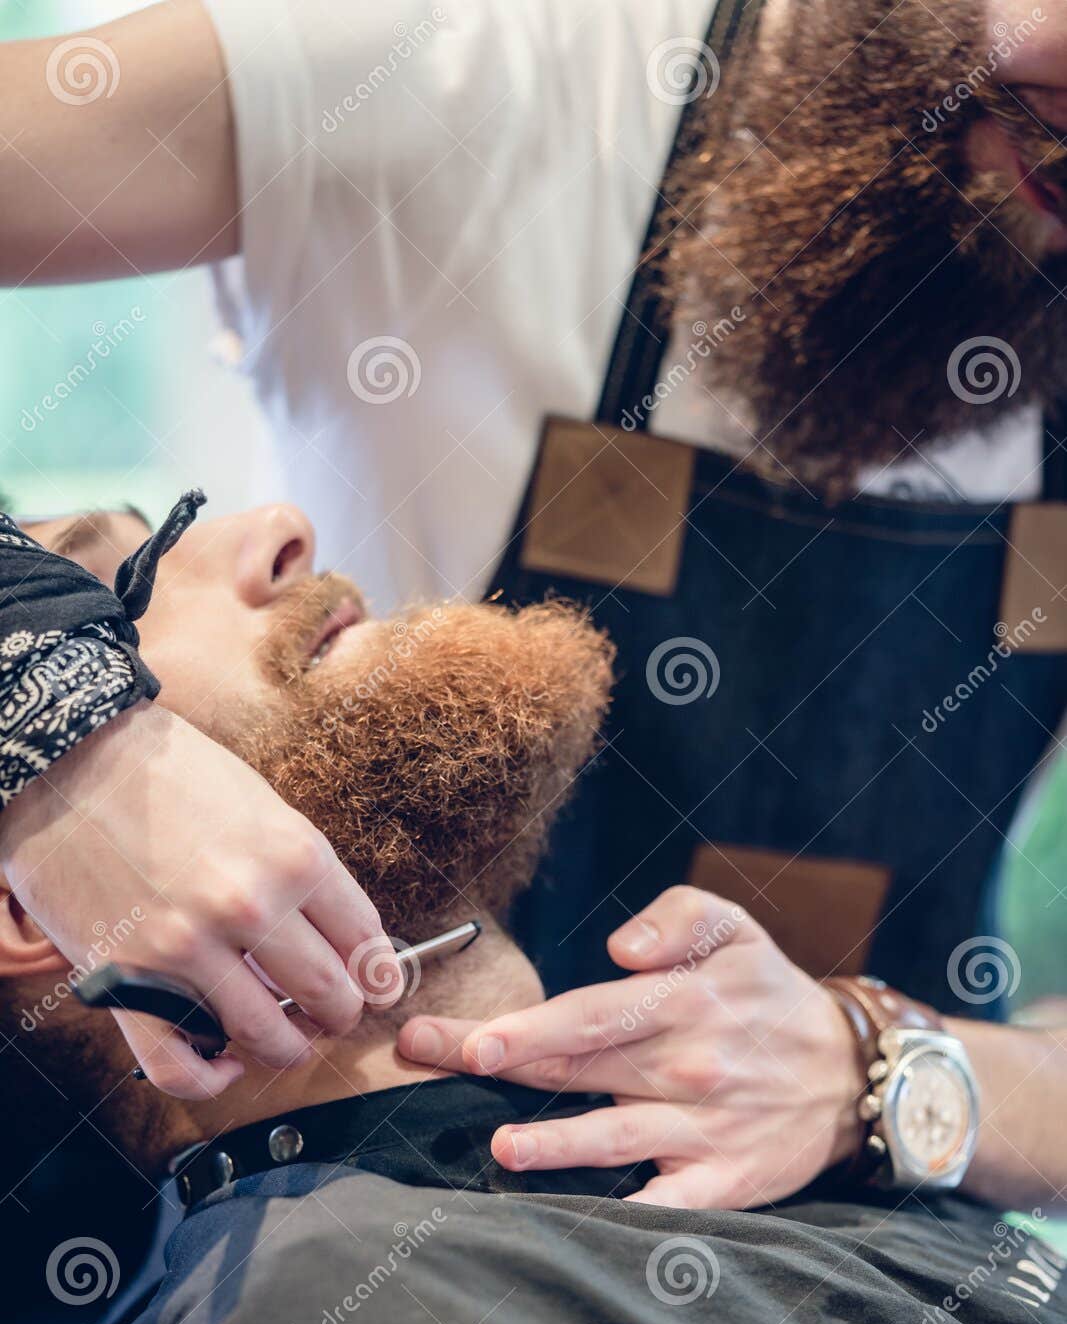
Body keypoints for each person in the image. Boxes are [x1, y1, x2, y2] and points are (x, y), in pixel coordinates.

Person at [3, 0, 1067, 1217]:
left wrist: (892, 1072)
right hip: (391, 1259)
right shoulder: (463, 70)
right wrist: (58, 722)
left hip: (867, 1310)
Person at [0, 500, 1063, 1324]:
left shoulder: (766, 1113)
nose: (281, 525)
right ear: (34, 905)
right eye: (110, 590)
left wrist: (880, 1066)